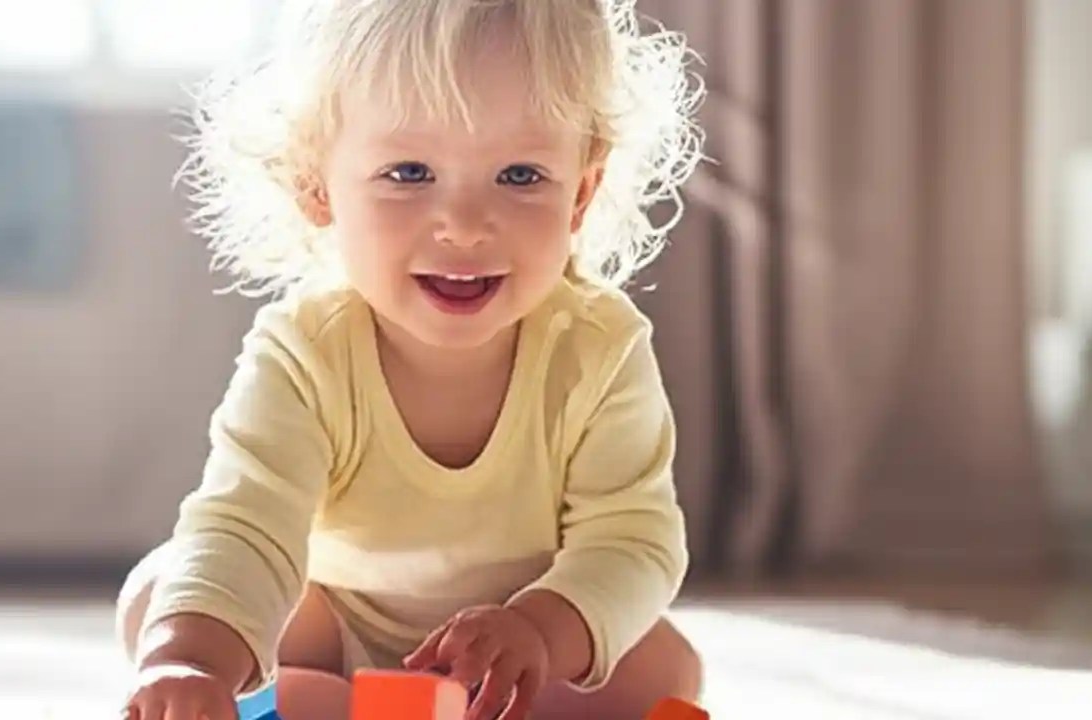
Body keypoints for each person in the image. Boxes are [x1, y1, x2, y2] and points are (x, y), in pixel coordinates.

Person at [116, 1, 706, 718]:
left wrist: (540, 632)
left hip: (522, 647)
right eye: (409, 172)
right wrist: (188, 658)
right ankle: (328, 696)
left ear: (580, 194)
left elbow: (633, 539)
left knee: (667, 667)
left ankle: (380, 707)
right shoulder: (306, 350)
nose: (462, 225)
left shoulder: (599, 349)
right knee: (161, 594)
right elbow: (247, 522)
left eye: (520, 176)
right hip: (335, 629)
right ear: (316, 186)